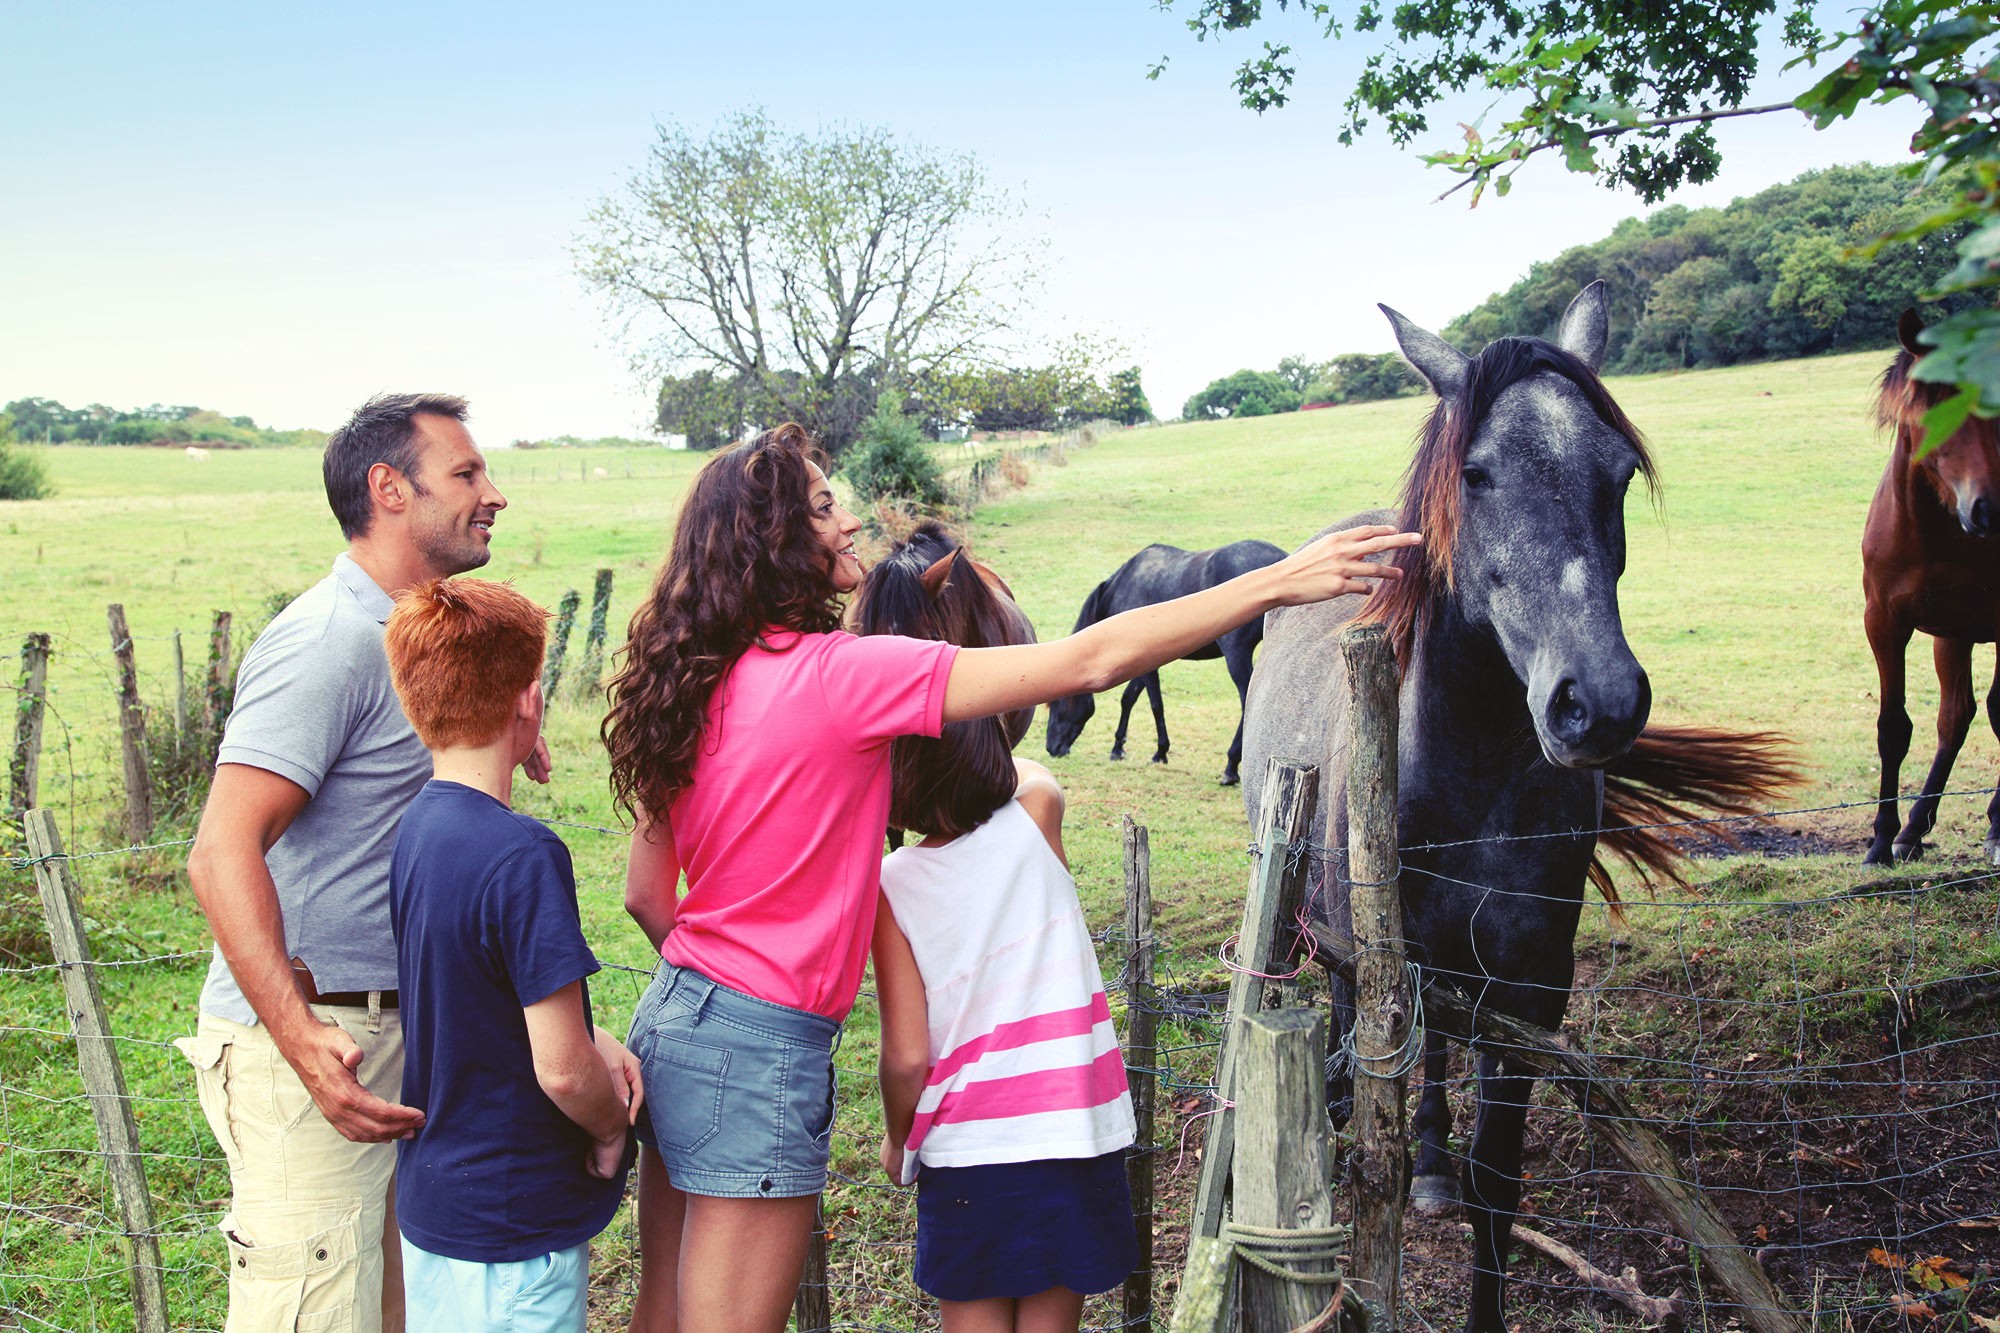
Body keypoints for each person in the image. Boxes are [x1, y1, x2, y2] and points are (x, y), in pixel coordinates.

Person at [606, 422, 1419, 1333]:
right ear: (776, 539)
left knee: (661, 1309)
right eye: (825, 507)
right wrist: (1278, 580)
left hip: (673, 1019)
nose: (848, 523)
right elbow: (1088, 661)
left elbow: (646, 896)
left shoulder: (687, 681)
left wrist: (719, 993)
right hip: (758, 1047)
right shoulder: (841, 677)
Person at [178, 393, 544, 1333]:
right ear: (389, 489)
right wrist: (303, 1041)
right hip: (321, 1039)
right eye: (466, 472)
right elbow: (220, 852)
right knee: (311, 1309)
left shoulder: (415, 637)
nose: (493, 492)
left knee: (387, 1309)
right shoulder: (326, 640)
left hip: (400, 1031)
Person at [382, 576, 643, 1333]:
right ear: (528, 700)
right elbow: (561, 1068)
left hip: (437, 1205)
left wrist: (598, 1038)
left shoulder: (417, 830)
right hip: (511, 1227)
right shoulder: (522, 852)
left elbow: (477, 987)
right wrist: (606, 1130)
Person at [874, 757, 1131, 1333]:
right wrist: (975, 747)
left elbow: (907, 1055)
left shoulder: (892, 883)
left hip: (968, 1148)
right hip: (1072, 1133)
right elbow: (1031, 771)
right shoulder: (1034, 819)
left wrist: (897, 1138)